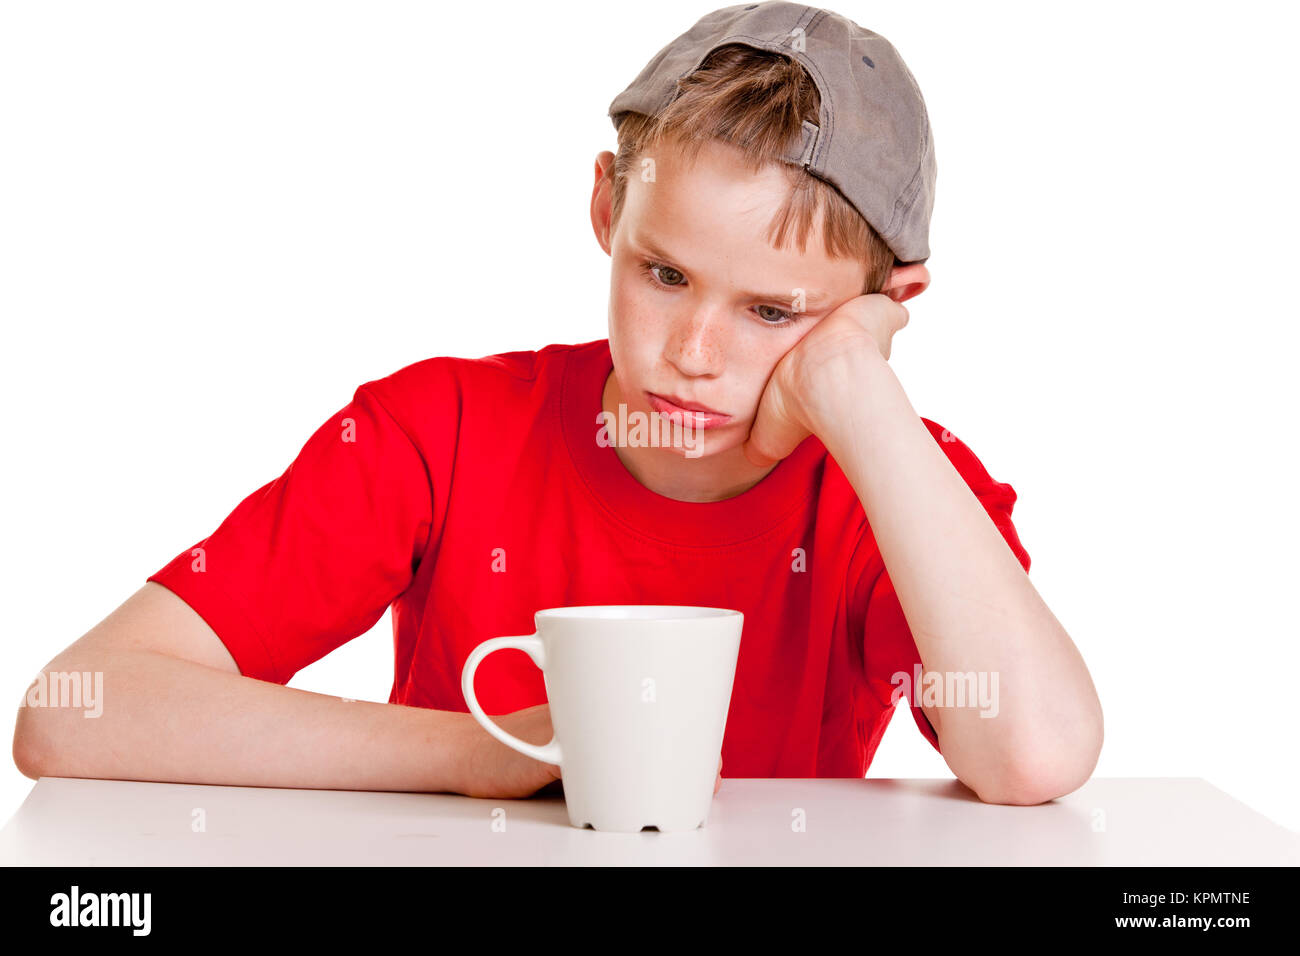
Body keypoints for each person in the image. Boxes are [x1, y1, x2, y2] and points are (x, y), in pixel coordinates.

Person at [14, 2, 1102, 805]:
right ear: (605, 206)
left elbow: (1039, 753)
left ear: (885, 306)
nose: (690, 352)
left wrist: (857, 392)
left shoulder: (899, 482)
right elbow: (75, 708)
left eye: (774, 312)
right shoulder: (437, 428)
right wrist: (491, 752)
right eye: (664, 273)